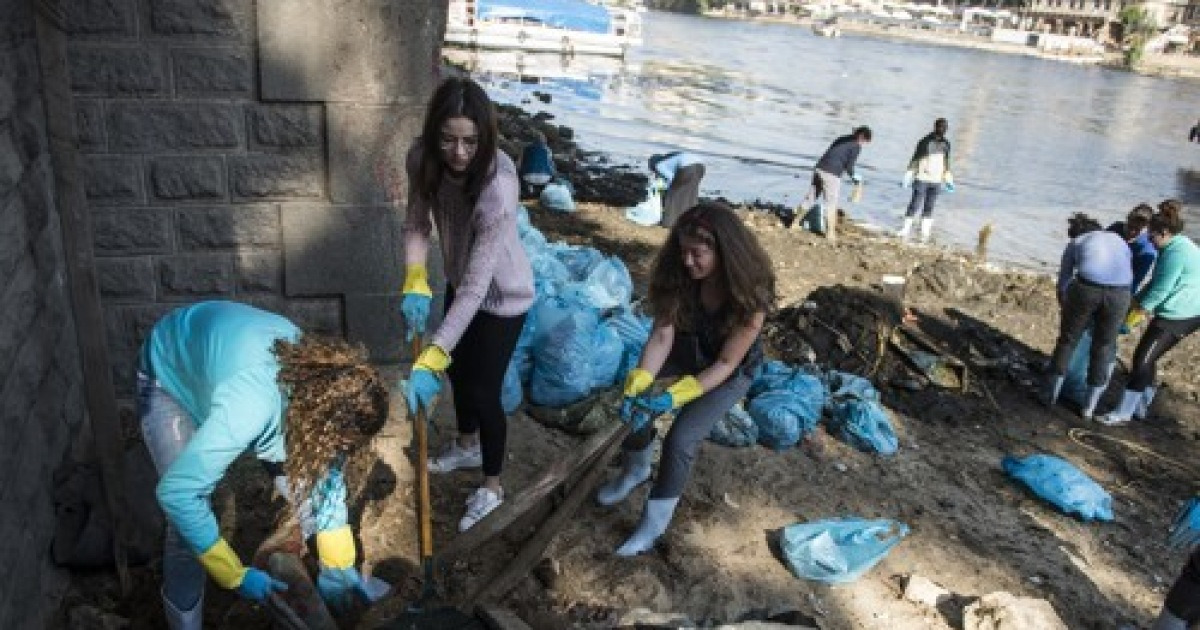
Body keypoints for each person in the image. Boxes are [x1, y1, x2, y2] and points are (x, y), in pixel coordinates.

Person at [138, 300, 389, 629]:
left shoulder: (324, 392)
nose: (341, 452)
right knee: (184, 531)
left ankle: (334, 581)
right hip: (170, 373)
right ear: (321, 423)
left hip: (232, 369)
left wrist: (339, 566)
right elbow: (178, 493)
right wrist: (234, 574)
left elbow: (324, 481)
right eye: (340, 444)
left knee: (307, 482)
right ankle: (185, 623)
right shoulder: (251, 406)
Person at [596, 201, 776, 556]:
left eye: (697, 254)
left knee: (681, 440)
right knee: (635, 407)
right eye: (682, 251)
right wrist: (641, 379)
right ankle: (634, 471)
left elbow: (725, 363)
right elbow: (662, 335)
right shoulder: (677, 275)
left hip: (729, 369)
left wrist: (675, 396)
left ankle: (652, 526)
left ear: (723, 251)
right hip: (684, 349)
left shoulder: (752, 295)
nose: (687, 261)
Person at [397, 76, 534, 530]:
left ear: (485, 138)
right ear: (433, 133)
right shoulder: (421, 159)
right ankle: (467, 444)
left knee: (483, 389)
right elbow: (417, 225)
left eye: (471, 142)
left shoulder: (498, 187)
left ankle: (492, 486)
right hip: (462, 281)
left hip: (504, 296)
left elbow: (479, 288)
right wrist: (415, 278)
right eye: (448, 139)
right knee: (458, 373)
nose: (459, 153)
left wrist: (433, 353)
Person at [1099, 200, 1200, 425]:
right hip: (1181, 307)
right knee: (1150, 356)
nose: (1149, 240)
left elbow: (1161, 290)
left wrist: (1135, 317)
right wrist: (1134, 301)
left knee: (1142, 359)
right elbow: (1155, 282)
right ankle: (1141, 405)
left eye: (1151, 235)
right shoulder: (1173, 246)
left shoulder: (1176, 254)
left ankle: (1123, 413)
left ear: (1164, 233)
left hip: (1183, 313)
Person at [1042, 213, 1132, 419]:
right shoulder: (1118, 239)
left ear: (1076, 233)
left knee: (1067, 342)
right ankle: (1089, 408)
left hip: (1087, 289)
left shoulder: (1076, 242)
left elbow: (1064, 281)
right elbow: (1126, 271)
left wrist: (1065, 307)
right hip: (1120, 294)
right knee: (1104, 347)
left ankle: (1049, 397)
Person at [794, 126, 872, 244]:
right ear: (861, 137)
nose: (864, 144)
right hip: (832, 174)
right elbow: (849, 166)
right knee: (831, 204)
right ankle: (830, 234)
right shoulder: (856, 146)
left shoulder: (842, 138)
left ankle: (795, 223)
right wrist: (855, 179)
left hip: (819, 169)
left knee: (810, 198)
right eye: (865, 141)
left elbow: (831, 153)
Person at [897, 118, 954, 244]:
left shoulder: (946, 144)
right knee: (915, 204)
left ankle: (924, 233)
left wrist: (948, 178)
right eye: (940, 126)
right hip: (922, 178)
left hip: (936, 181)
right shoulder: (925, 142)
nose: (943, 129)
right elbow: (915, 159)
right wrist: (909, 174)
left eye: (945, 127)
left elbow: (946, 163)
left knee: (929, 207)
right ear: (935, 127)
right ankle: (905, 229)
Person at [1107, 202, 1158, 293]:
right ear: (1127, 219)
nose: (1132, 232)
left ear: (1146, 230)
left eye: (1137, 230)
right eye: (1130, 226)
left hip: (1122, 287)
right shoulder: (1115, 229)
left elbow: (1136, 280)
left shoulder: (1147, 250)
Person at [649, 151, 706, 228]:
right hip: (701, 167)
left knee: (672, 196)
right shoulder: (670, 158)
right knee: (690, 195)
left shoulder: (659, 165)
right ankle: (691, 222)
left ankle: (668, 223)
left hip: (687, 167)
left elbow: (672, 179)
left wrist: (665, 190)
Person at [516, 130, 556, 199]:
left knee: (519, 172)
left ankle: (527, 189)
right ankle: (545, 190)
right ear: (544, 141)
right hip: (545, 178)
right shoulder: (548, 150)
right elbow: (552, 166)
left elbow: (518, 164)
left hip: (528, 177)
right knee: (552, 174)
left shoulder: (526, 148)